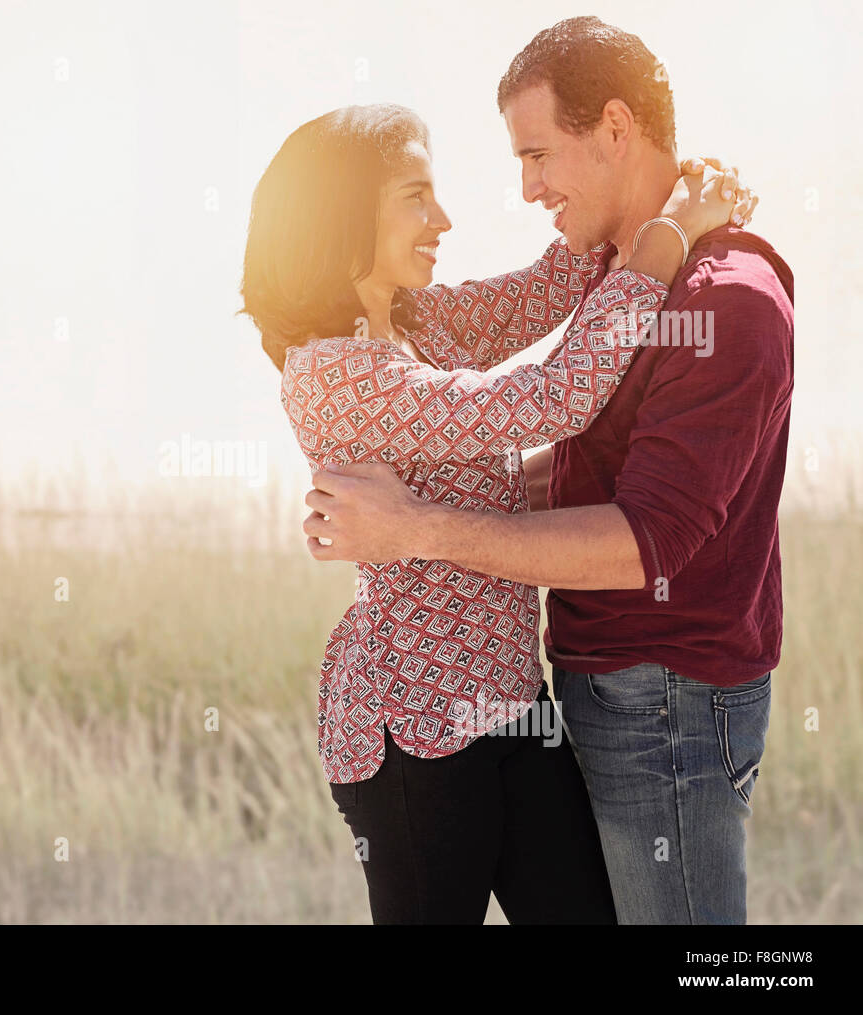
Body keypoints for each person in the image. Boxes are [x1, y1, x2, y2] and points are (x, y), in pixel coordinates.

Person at [302, 18, 792, 925]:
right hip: (420, 727)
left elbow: (553, 285)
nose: (464, 211)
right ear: (344, 220)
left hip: (525, 710)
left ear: (614, 126)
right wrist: (673, 224)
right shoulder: (338, 371)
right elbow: (554, 396)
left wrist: (677, 208)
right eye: (417, 197)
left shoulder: (426, 324)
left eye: (538, 156)